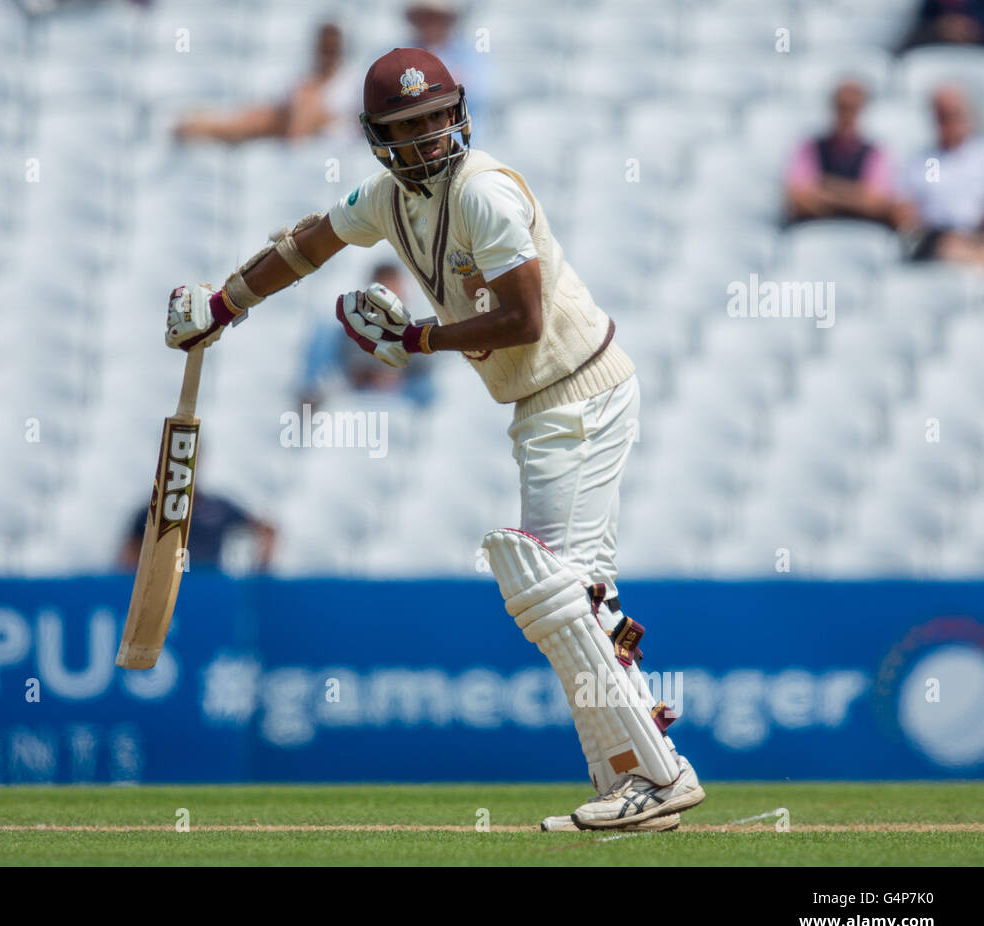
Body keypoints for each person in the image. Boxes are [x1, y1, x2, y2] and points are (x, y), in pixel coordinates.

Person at [163, 48, 704, 831]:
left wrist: (419, 340)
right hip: (544, 403)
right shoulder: (388, 198)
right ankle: (630, 778)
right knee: (582, 601)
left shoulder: (482, 191)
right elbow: (308, 243)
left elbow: (526, 320)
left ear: (457, 111)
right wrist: (223, 301)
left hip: (578, 393)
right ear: (377, 137)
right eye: (407, 126)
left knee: (546, 587)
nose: (429, 136)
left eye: (436, 117)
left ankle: (659, 777)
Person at [174, 22, 360, 144]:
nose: (326, 54)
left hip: (325, 137)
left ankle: (209, 125)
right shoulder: (305, 79)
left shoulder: (349, 82)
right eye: (323, 48)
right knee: (261, 115)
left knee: (295, 104)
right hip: (291, 128)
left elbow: (350, 121)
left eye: (330, 49)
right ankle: (209, 125)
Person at [298, 262, 435, 409]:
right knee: (323, 330)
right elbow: (349, 357)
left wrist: (395, 376)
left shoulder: (413, 325)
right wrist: (370, 375)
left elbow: (423, 364)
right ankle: (312, 393)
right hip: (357, 385)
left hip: (402, 390)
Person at [784, 81, 896, 227]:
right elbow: (798, 199)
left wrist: (826, 186)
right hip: (817, 228)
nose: (846, 114)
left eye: (852, 108)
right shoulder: (811, 147)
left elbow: (878, 203)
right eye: (841, 107)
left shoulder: (875, 152)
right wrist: (857, 197)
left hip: (861, 230)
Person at [893, 85, 984, 265]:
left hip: (976, 236)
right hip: (934, 239)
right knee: (949, 249)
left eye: (954, 115)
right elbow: (904, 209)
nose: (949, 123)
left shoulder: (980, 155)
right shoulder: (920, 161)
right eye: (942, 116)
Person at [118, 489, 276, 574]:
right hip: (168, 589)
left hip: (210, 588)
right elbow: (128, 555)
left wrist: (258, 573)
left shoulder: (218, 506)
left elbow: (268, 531)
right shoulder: (151, 510)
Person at [898, 0, 984, 51]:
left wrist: (974, 30)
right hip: (934, 52)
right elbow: (915, 34)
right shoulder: (930, 5)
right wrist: (939, 29)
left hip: (977, 52)